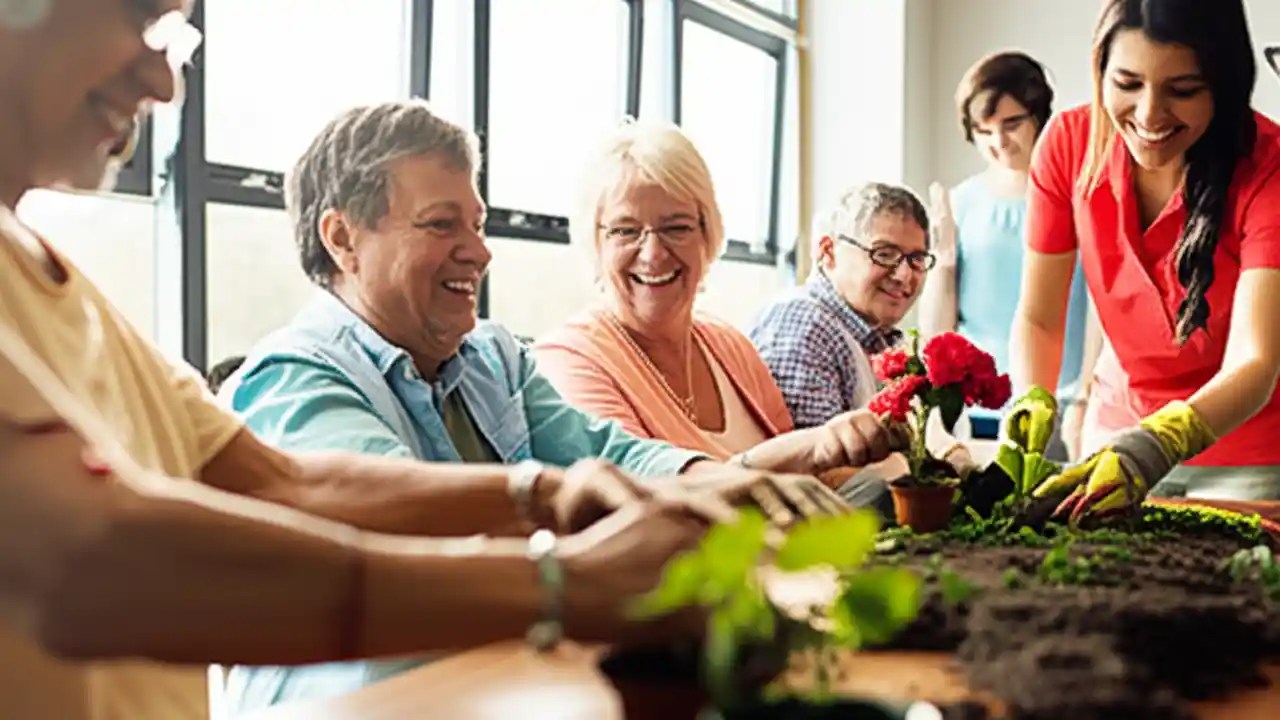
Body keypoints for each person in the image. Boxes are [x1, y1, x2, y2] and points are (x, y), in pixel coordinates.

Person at [0, 4, 781, 719]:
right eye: (141, 18)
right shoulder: (294, 372)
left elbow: (288, 483)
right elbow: (84, 556)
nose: (166, 80)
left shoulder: (67, 290)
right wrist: (561, 581)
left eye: (175, 36)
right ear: (342, 239)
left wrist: (546, 491)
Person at [218, 102, 851, 714]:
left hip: (504, 689)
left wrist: (726, 485)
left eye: (479, 223)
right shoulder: (292, 379)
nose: (480, 251)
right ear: (342, 239)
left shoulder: (494, 357)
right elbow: (400, 521)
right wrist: (556, 497)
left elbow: (610, 455)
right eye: (443, 225)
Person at [534, 123, 907, 505]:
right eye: (626, 231)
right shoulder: (567, 361)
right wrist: (815, 448)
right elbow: (632, 504)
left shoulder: (727, 344)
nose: (653, 254)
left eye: (676, 228)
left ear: (707, 234)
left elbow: (814, 480)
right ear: (593, 243)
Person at [1012, 0, 1280, 517]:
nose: (1150, 114)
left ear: (1223, 86)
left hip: (1249, 451)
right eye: (1128, 84)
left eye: (1183, 90)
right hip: (1117, 429)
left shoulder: (1269, 165)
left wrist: (1159, 442)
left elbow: (1257, 359)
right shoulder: (1068, 144)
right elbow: (1040, 318)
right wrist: (1031, 406)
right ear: (1099, 72)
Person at [920, 51, 1097, 455]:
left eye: (1012, 124)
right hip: (974, 407)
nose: (999, 142)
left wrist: (1086, 391)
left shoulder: (1077, 197)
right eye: (984, 131)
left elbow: (1098, 309)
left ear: (1039, 116)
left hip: (1060, 402)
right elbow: (941, 319)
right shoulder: (961, 202)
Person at [750, 182, 927, 429]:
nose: (904, 275)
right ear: (828, 252)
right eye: (885, 254)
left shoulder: (878, 336)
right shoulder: (803, 326)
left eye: (916, 259)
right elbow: (815, 461)